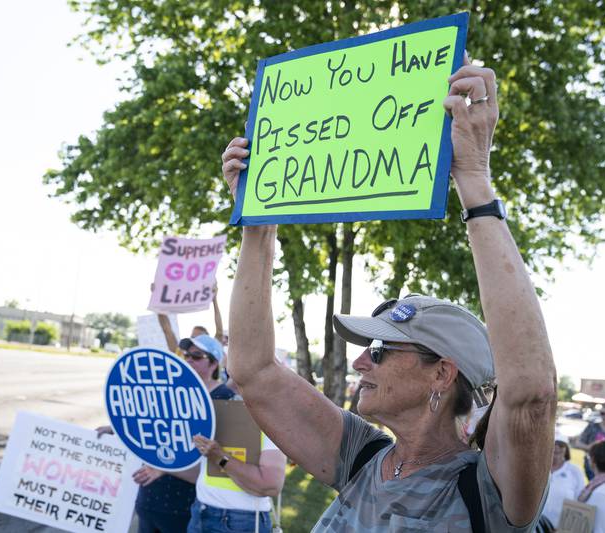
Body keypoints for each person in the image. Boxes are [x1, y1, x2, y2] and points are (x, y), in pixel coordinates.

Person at [222, 53, 556, 531]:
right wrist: (257, 224)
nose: (360, 362)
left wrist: (475, 182)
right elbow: (252, 370)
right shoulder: (361, 455)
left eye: (379, 350)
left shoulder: (490, 490)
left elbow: (531, 396)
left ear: (442, 373)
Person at [132, 335, 286, 533]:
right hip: (200, 512)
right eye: (237, 368)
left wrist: (219, 457)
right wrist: (164, 469)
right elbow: (201, 466)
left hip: (239, 522)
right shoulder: (222, 409)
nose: (187, 359)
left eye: (195, 356)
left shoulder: (267, 420)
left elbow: (270, 486)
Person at [98, 334, 235, 532]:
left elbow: (218, 465)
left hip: (185, 508)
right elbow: (151, 424)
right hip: (148, 499)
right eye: (186, 354)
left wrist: (165, 467)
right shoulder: (170, 390)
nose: (188, 359)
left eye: (196, 356)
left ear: (214, 363)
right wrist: (116, 429)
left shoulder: (225, 398)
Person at [542, 432, 585, 528]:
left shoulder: (575, 471)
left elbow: (580, 501)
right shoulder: (538, 468)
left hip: (562, 527)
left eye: (561, 445)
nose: (557, 447)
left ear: (566, 449)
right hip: (537, 526)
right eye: (553, 444)